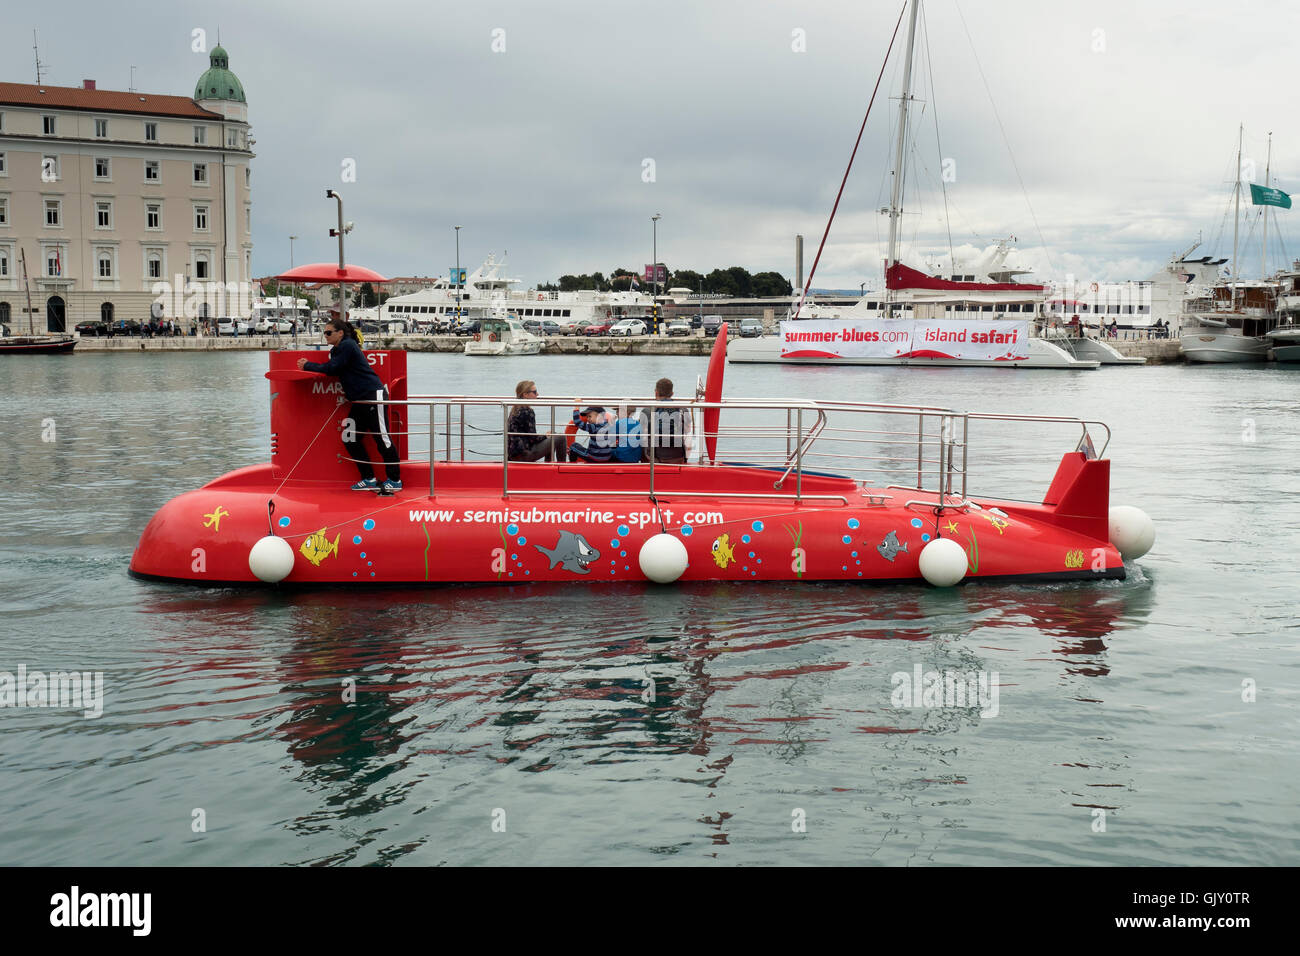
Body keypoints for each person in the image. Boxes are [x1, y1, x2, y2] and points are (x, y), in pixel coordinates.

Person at [296, 318, 402, 493]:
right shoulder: (338, 350)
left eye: (329, 332)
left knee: (382, 439)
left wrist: (307, 365)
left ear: (340, 333)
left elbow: (333, 368)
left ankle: (395, 480)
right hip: (359, 401)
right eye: (324, 333)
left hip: (373, 397)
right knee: (350, 438)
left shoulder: (348, 345)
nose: (326, 336)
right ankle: (369, 478)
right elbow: (335, 366)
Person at [507, 380, 566, 462]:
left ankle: (549, 465)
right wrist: (545, 436)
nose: (537, 394)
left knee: (552, 436)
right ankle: (562, 466)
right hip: (524, 454)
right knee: (561, 438)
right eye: (534, 392)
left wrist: (547, 436)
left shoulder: (515, 409)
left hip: (514, 454)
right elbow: (533, 439)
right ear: (525, 395)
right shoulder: (527, 411)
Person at [641, 378, 689, 463]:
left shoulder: (647, 411)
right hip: (677, 457)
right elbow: (687, 431)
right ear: (672, 394)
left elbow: (642, 435)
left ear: (656, 392)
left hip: (654, 458)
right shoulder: (683, 410)